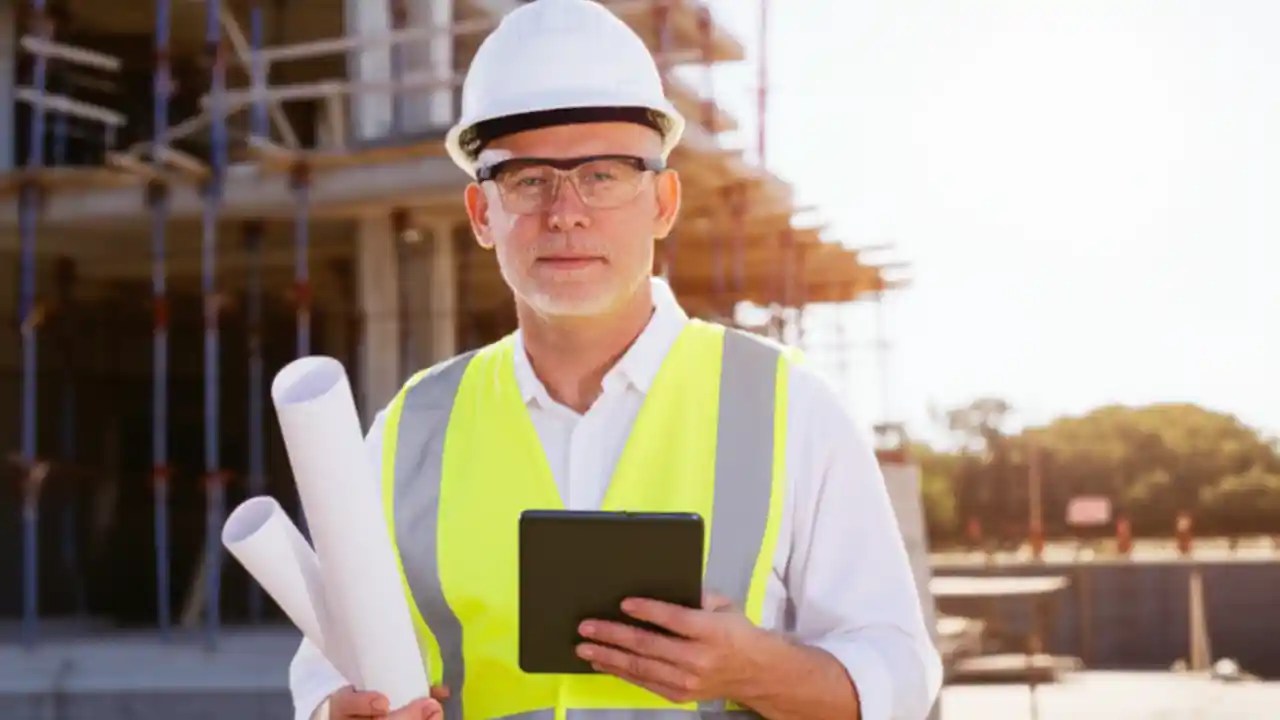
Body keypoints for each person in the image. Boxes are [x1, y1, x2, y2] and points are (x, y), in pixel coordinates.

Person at [289, 1, 942, 718]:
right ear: (481, 214)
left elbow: (901, 675)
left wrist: (755, 670)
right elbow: (325, 673)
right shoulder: (411, 427)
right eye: (528, 179)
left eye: (604, 175)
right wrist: (336, 713)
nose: (565, 212)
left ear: (663, 201)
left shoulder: (790, 408)